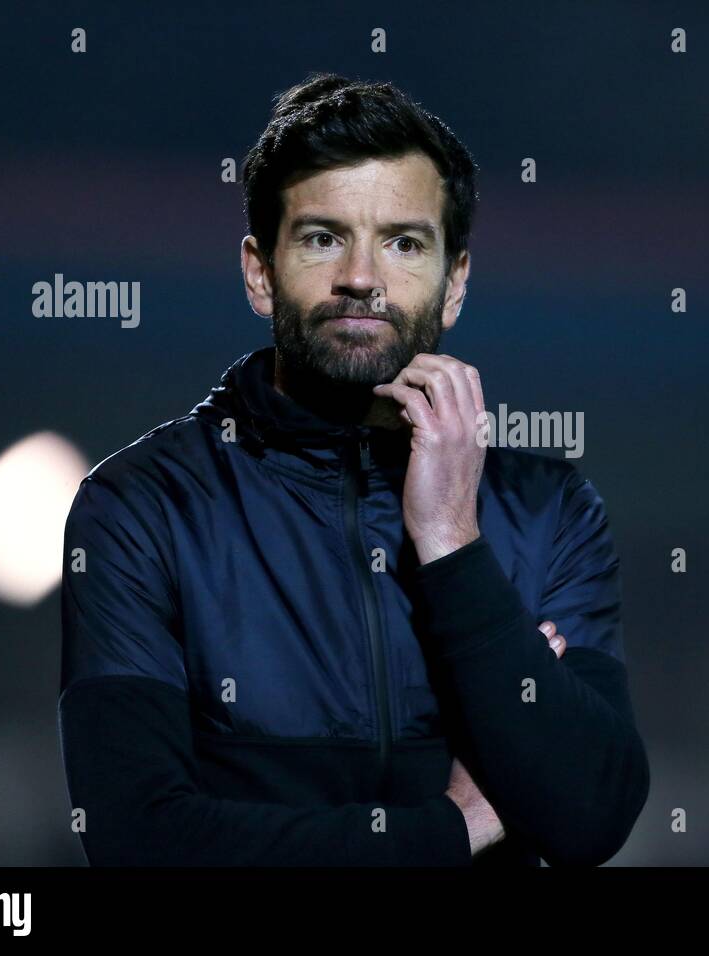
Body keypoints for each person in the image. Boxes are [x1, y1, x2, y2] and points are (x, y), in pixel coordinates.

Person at [57, 72, 649, 866]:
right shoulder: (140, 508)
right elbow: (141, 843)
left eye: (405, 242)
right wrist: (454, 830)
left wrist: (451, 541)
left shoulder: (550, 512)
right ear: (260, 272)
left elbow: (590, 820)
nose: (362, 277)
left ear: (456, 281)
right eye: (322, 237)